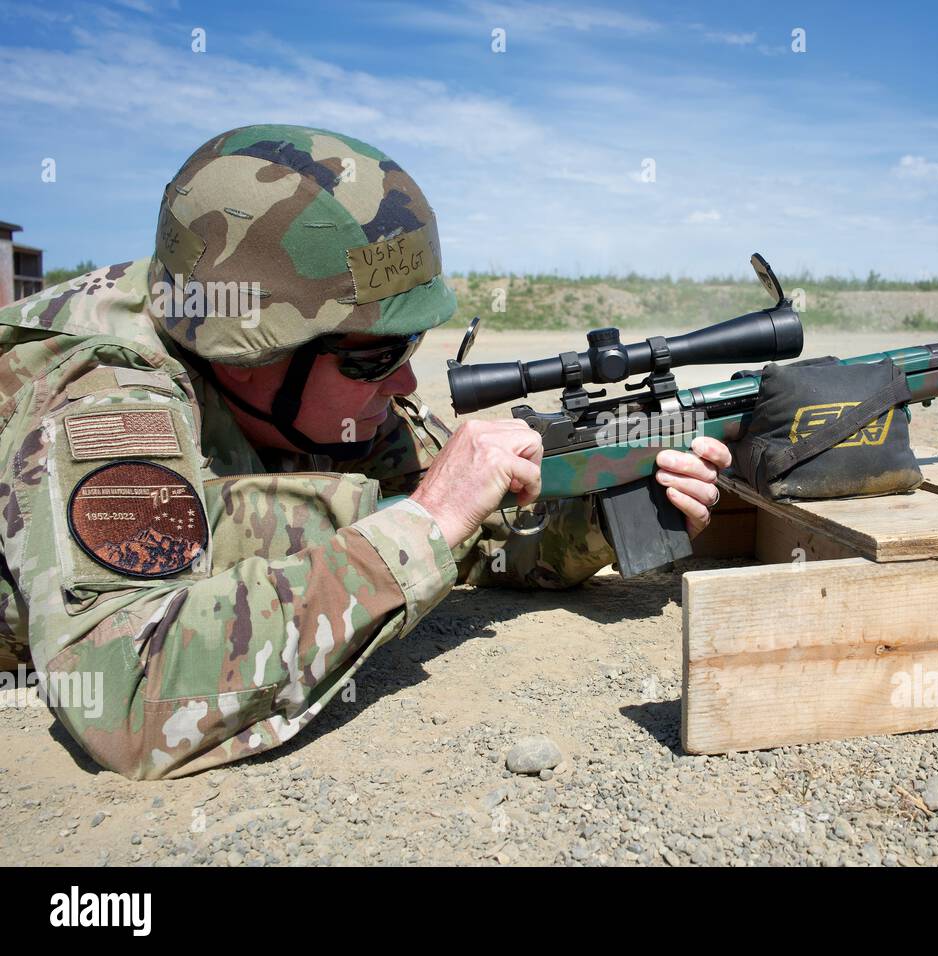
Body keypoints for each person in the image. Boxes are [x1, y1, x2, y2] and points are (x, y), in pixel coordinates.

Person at [0, 124, 730, 780]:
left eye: (408, 347)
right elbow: (129, 694)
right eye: (376, 357)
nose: (406, 379)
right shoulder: (107, 394)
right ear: (251, 352)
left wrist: (601, 513)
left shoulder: (316, 383)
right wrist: (423, 525)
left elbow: (480, 528)